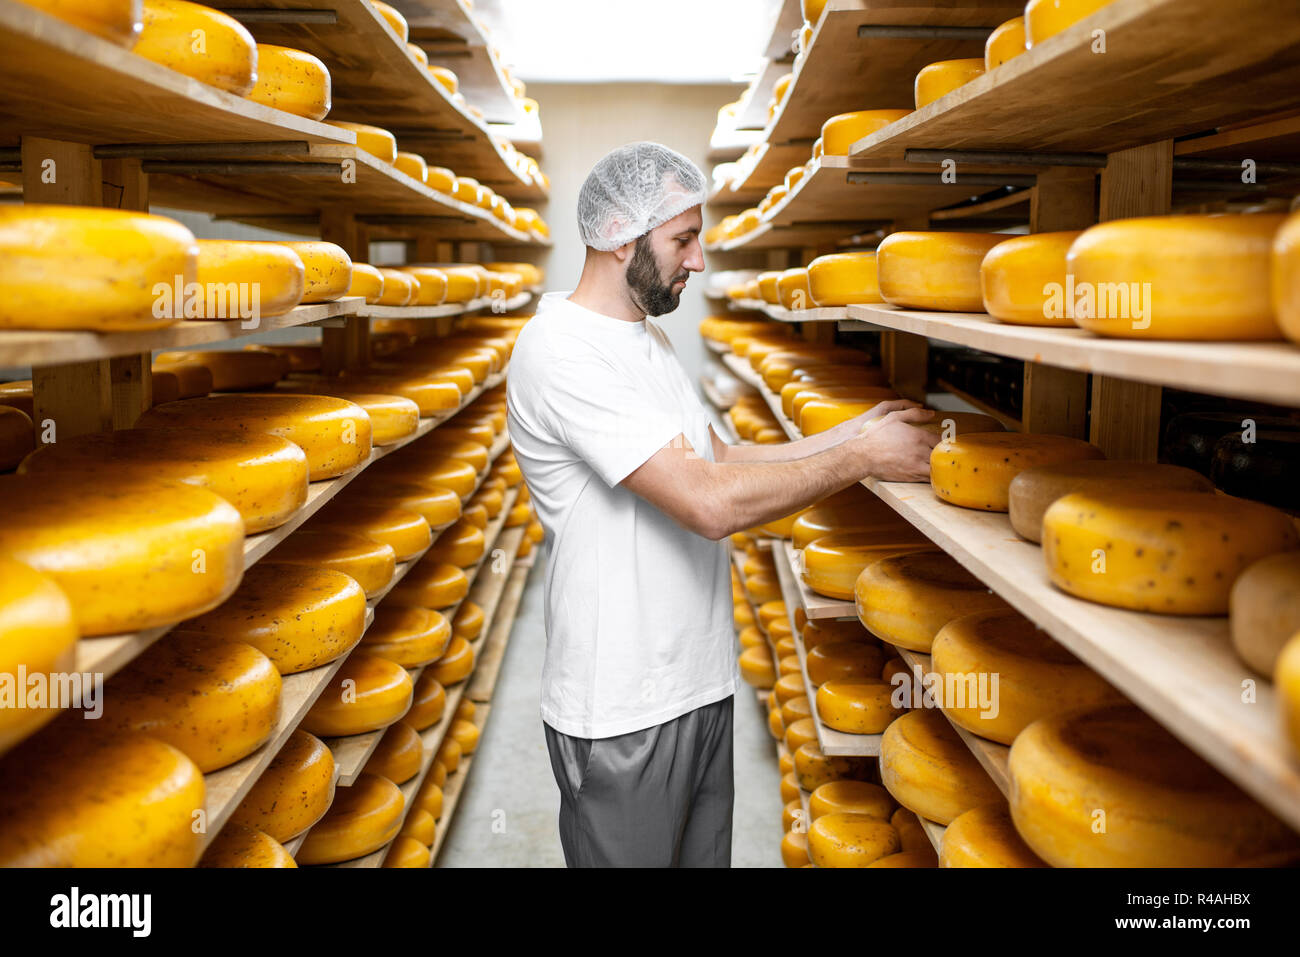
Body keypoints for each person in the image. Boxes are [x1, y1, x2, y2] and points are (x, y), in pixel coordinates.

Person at [505, 142, 936, 868]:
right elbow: (707, 501)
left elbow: (722, 459)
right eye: (682, 238)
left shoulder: (648, 340)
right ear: (620, 237)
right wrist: (860, 458)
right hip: (620, 709)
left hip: (698, 686)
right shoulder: (560, 351)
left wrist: (856, 431)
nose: (698, 260)